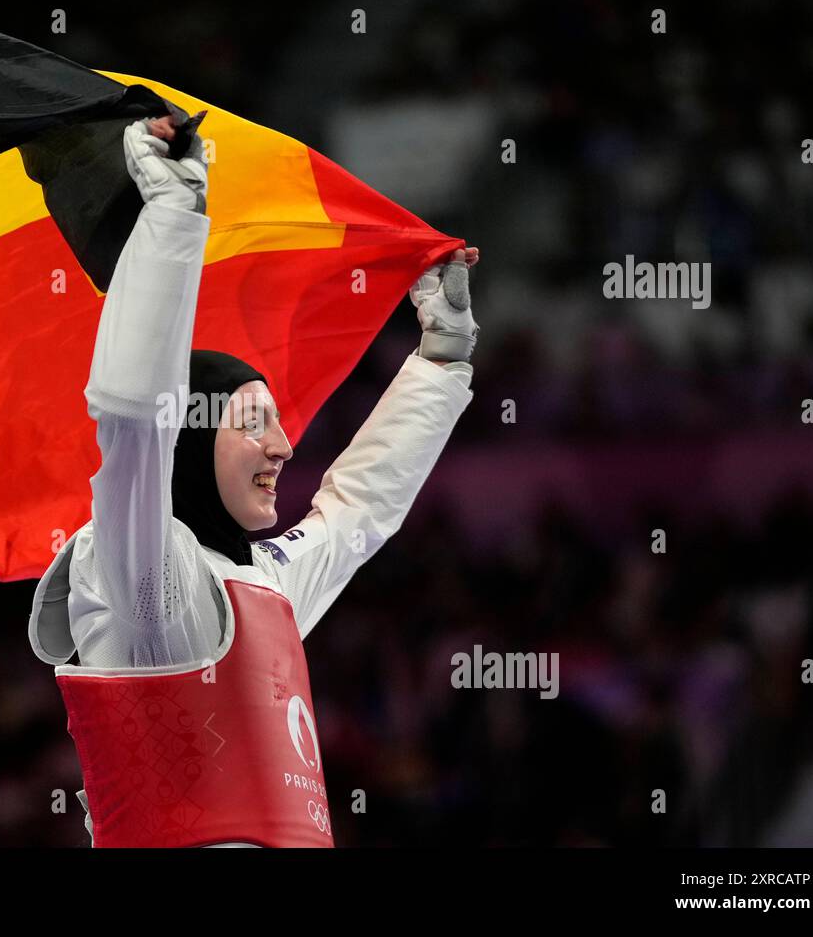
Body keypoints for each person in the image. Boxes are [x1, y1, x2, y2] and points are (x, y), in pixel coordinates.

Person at [28, 114, 478, 847]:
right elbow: (134, 424)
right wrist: (172, 216)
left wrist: (444, 355)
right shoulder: (147, 583)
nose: (279, 447)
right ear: (190, 437)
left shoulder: (258, 583)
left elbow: (357, 510)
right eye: (250, 422)